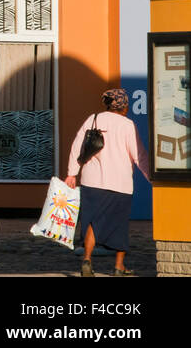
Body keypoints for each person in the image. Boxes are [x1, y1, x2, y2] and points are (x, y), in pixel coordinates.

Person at [64, 88, 151, 277]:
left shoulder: (93, 119)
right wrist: (151, 178)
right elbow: (139, 155)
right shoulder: (127, 125)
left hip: (91, 181)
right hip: (119, 184)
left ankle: (87, 259)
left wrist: (72, 174)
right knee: (119, 224)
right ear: (123, 106)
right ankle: (119, 266)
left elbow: (77, 146)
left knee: (92, 223)